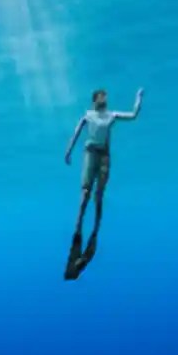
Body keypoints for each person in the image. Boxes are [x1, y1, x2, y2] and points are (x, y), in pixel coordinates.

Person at [62, 87, 143, 278]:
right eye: (101, 96)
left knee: (99, 195)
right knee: (85, 193)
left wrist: (138, 98)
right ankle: (78, 227)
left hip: (104, 156)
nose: (105, 99)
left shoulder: (111, 115)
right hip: (90, 152)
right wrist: (68, 150)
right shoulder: (88, 116)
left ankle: (95, 230)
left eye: (105, 96)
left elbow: (133, 115)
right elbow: (76, 133)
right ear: (95, 100)